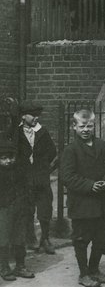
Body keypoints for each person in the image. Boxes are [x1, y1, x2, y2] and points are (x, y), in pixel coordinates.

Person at [60, 109, 105, 287]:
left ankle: (94, 269)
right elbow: (67, 177)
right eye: (82, 126)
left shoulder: (102, 145)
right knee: (82, 239)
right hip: (82, 203)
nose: (86, 130)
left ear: (94, 126)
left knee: (101, 237)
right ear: (74, 127)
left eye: (89, 126)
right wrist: (90, 185)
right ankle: (83, 274)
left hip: (102, 202)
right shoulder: (70, 150)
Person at [15, 101, 58, 254]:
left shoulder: (42, 132)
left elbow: (52, 151)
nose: (36, 118)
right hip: (24, 178)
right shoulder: (16, 133)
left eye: (38, 115)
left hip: (41, 177)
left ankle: (45, 238)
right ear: (23, 116)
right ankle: (30, 237)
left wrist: (44, 166)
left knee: (45, 207)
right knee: (27, 208)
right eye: (33, 115)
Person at [0, 138, 29, 280]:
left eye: (11, 157)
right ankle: (4, 267)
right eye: (3, 158)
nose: (8, 161)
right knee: (3, 238)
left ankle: (20, 265)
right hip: (3, 208)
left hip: (19, 206)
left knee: (20, 237)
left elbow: (26, 187)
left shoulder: (19, 170)